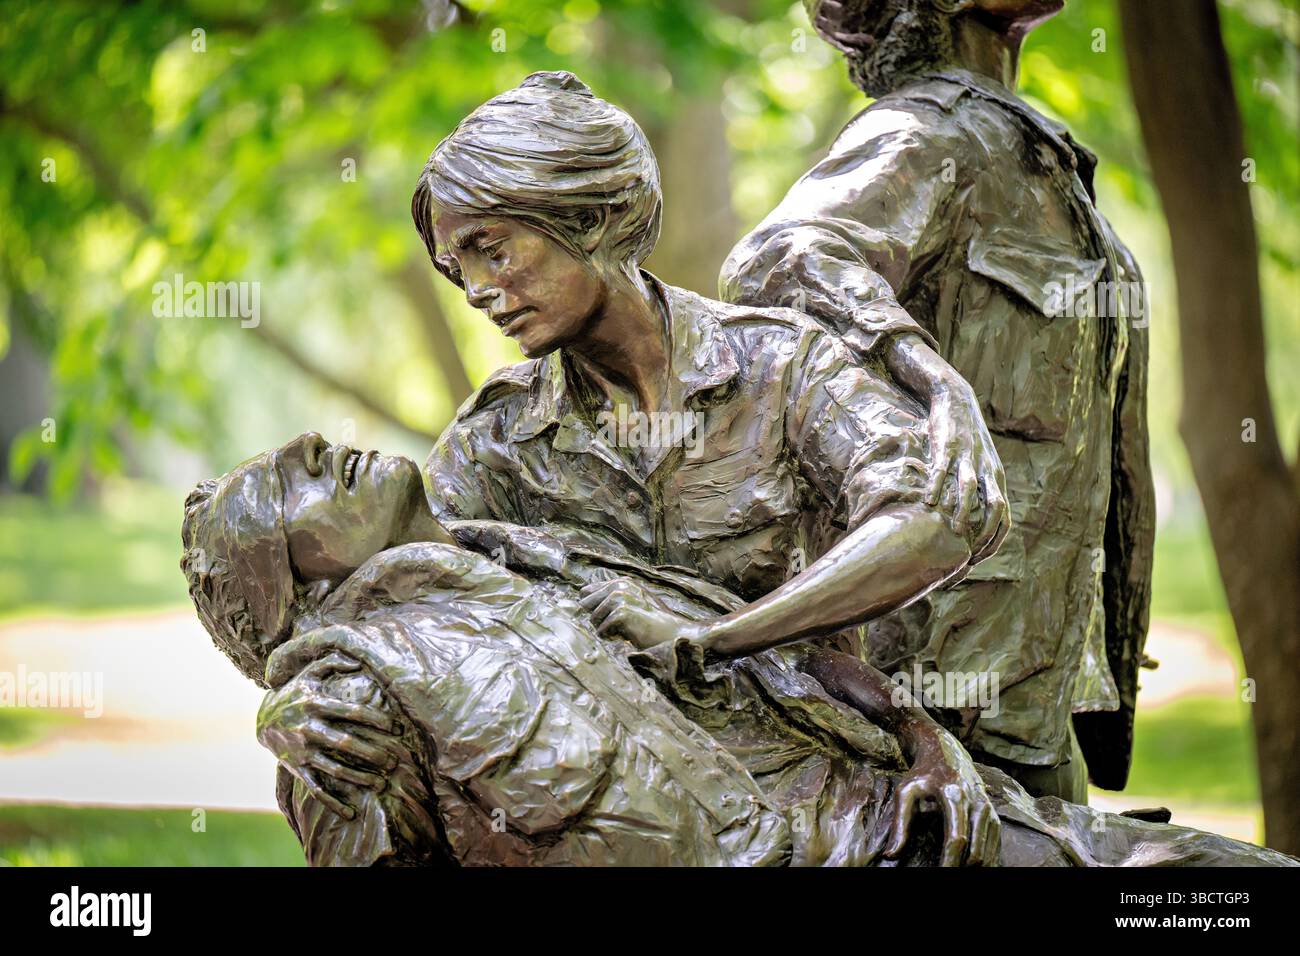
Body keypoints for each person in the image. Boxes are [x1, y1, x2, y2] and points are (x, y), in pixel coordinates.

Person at [181, 433, 1294, 867]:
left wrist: (922, 735)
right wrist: (286, 693)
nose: (314, 448)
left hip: (923, 811)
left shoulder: (524, 539)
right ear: (293, 591)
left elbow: (777, 652)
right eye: (285, 487)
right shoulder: (344, 703)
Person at [720, 0, 1155, 800]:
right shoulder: (926, 134)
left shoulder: (1035, 154)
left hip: (1039, 676)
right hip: (933, 680)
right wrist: (923, 366)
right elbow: (778, 261)